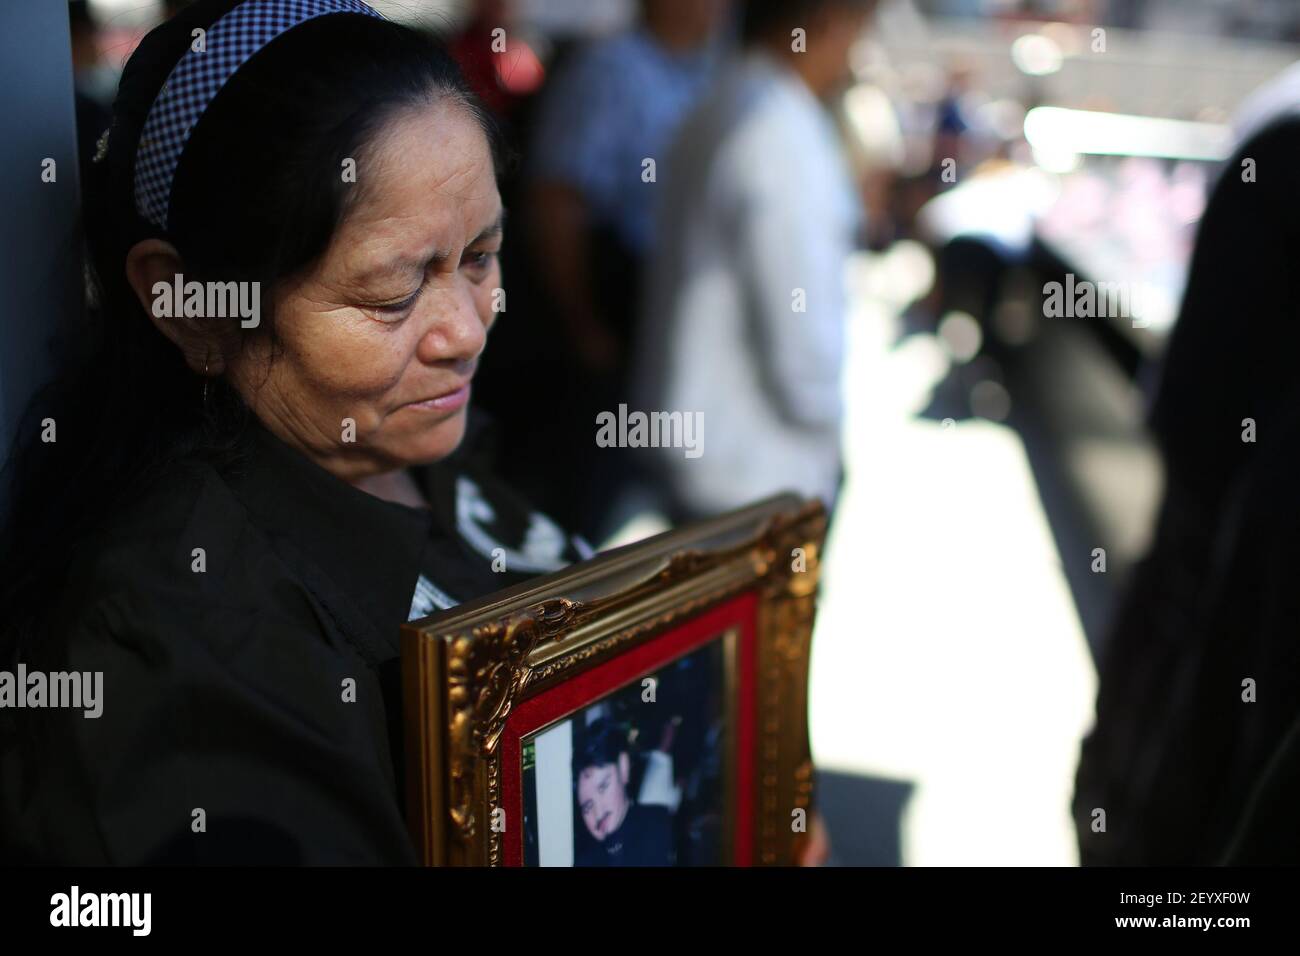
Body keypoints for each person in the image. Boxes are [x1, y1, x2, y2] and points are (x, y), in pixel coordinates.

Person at [0, 0, 590, 865]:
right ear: (190, 305)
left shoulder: (423, 446)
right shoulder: (180, 644)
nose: (466, 329)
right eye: (393, 295)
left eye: (480, 258)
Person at [632, 0, 874, 523]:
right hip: (756, 479)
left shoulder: (725, 101)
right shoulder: (778, 133)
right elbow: (802, 340)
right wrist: (827, 431)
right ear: (830, 22)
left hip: (714, 459)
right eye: (859, 30)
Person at [572, 719, 674, 866]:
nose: (598, 811)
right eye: (587, 807)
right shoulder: (584, 861)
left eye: (603, 787)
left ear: (623, 767)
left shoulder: (657, 825)